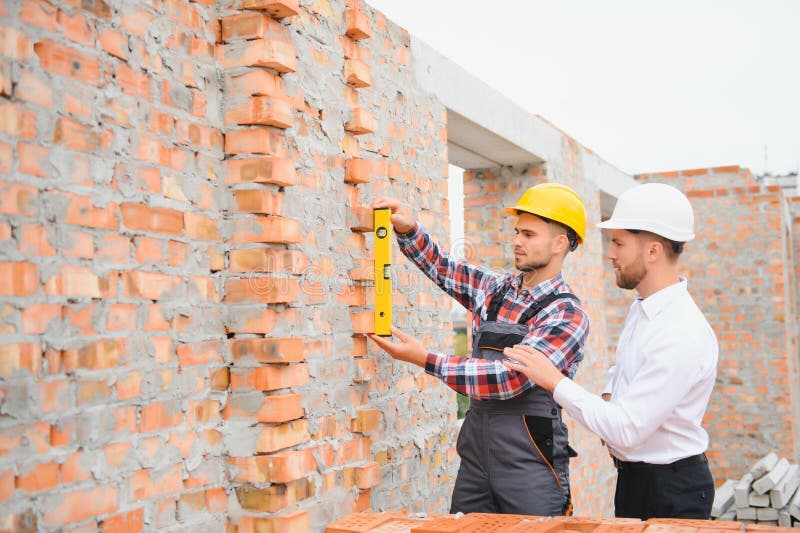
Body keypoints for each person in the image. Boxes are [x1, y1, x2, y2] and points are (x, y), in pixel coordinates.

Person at [367, 183, 590, 516]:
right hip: (475, 462)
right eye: (517, 232)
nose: (516, 241)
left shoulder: (566, 314)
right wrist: (408, 228)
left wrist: (427, 360)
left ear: (559, 244)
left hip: (530, 467)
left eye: (528, 234)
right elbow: (442, 266)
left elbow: (509, 380)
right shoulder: (495, 288)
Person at [502, 182, 718, 520]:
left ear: (653, 251)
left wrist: (554, 381)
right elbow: (622, 376)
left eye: (618, 242)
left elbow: (627, 431)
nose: (610, 253)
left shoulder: (680, 331)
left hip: (671, 491)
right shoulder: (644, 308)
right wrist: (607, 397)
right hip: (638, 479)